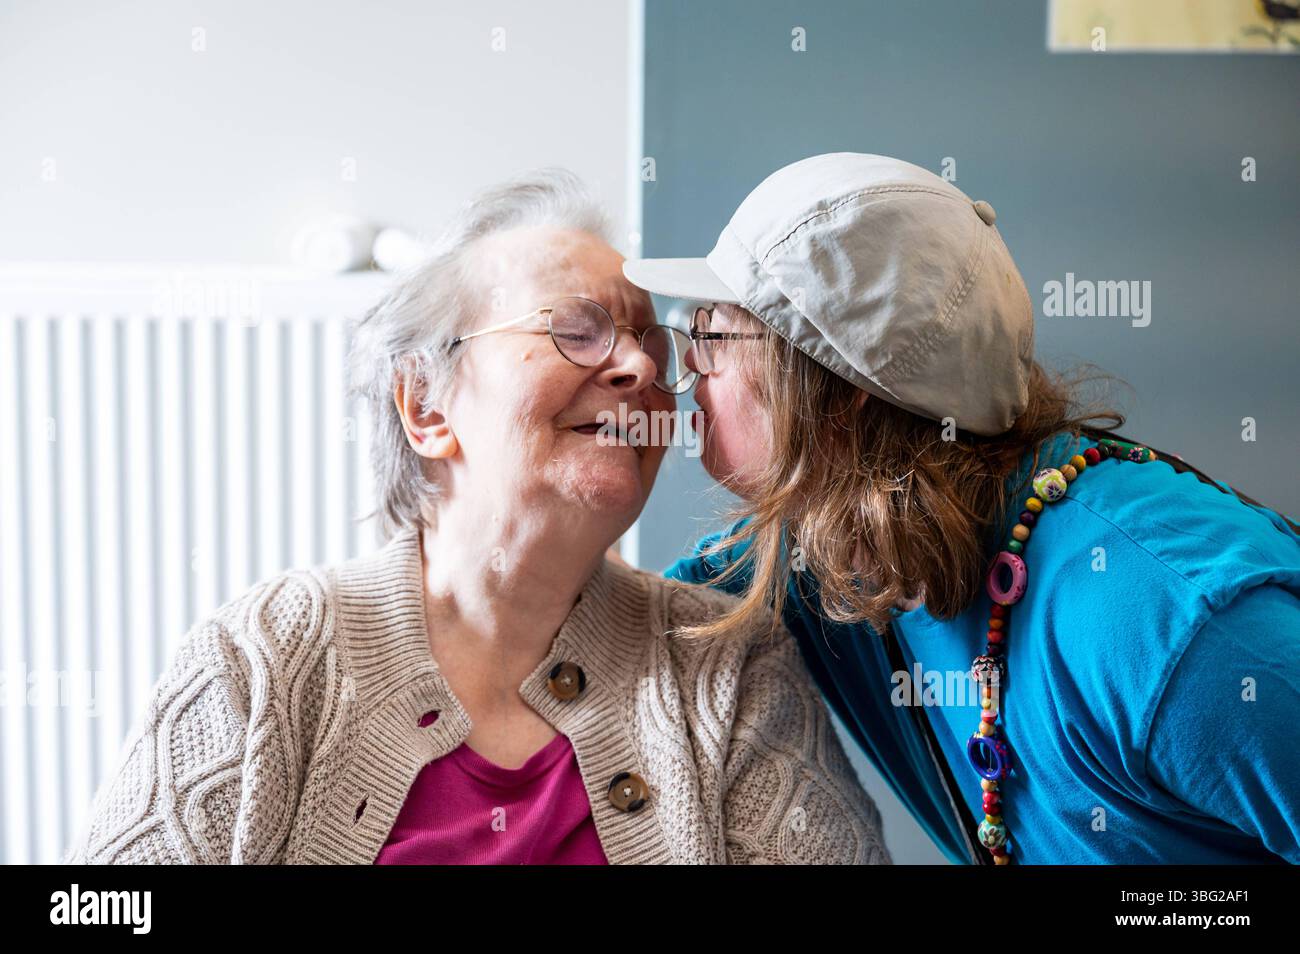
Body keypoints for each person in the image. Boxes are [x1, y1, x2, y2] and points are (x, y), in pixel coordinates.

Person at [63, 170, 889, 865]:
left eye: (654, 347)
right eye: (576, 330)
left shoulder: (727, 668)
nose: (640, 366)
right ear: (427, 404)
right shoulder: (264, 660)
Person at [622, 152, 1300, 865]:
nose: (686, 367)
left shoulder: (1166, 625)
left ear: (842, 398)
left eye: (714, 333)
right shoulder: (832, 554)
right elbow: (600, 613)